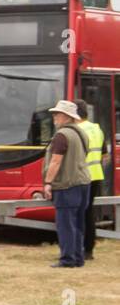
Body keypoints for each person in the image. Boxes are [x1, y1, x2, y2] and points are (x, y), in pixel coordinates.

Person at [43, 100, 91, 268]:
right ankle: (78, 258)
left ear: (66, 117)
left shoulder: (62, 135)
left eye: (57, 114)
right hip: (84, 182)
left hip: (66, 184)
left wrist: (48, 182)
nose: (54, 116)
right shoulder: (81, 133)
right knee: (78, 223)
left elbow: (56, 162)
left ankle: (67, 259)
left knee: (65, 224)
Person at [72, 98, 105, 261]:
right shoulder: (96, 129)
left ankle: (76, 249)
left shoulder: (76, 130)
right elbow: (104, 155)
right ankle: (88, 250)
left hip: (80, 176)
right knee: (88, 213)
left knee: (76, 213)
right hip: (96, 175)